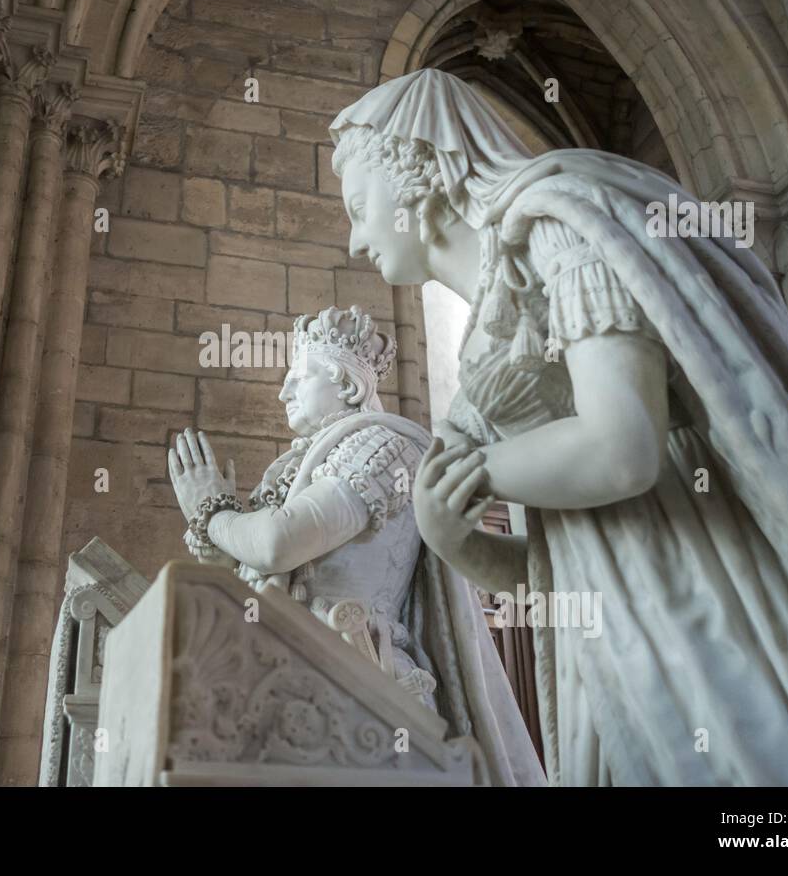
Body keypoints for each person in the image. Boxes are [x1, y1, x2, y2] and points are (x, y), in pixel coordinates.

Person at [328, 68, 788, 785]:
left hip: (692, 572)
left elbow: (624, 449)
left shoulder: (564, 231)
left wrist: (476, 475)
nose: (354, 240)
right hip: (606, 629)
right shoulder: (488, 338)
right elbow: (550, 563)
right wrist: (452, 536)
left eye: (357, 206)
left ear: (413, 170)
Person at [167, 305, 545, 785]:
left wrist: (213, 512)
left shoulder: (383, 446)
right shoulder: (313, 461)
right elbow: (268, 564)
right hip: (298, 679)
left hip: (361, 681)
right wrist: (223, 538)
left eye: (300, 377)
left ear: (348, 384)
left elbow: (278, 544)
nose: (284, 390)